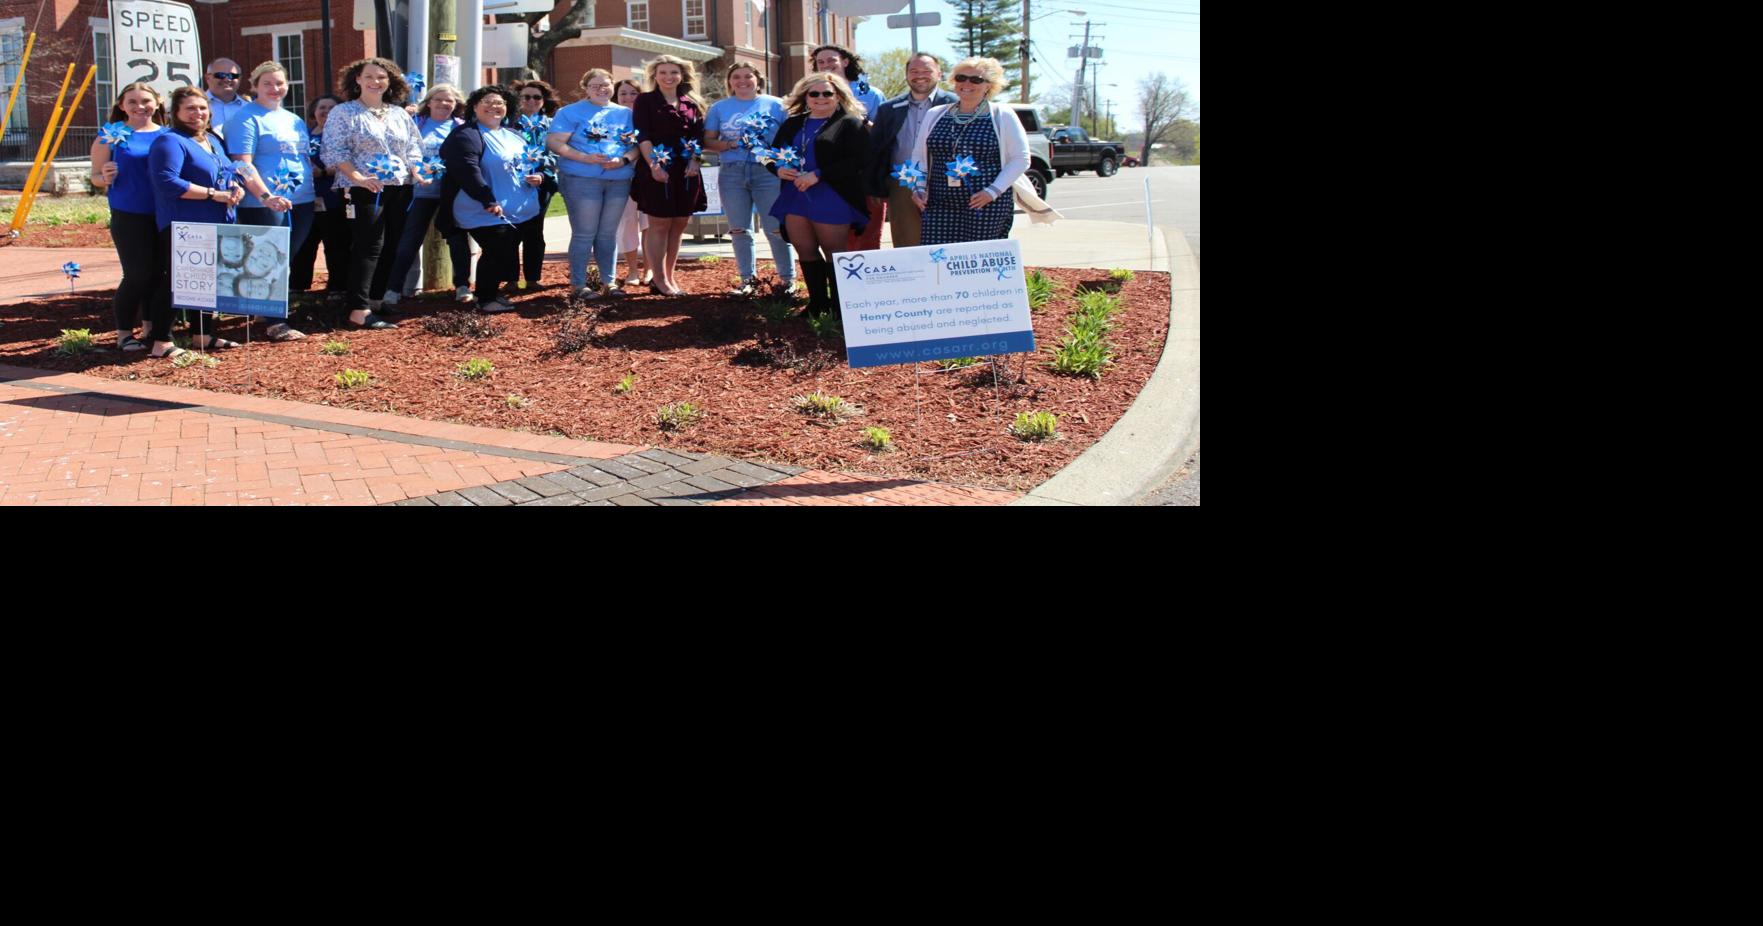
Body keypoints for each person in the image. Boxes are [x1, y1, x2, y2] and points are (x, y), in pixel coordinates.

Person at [320, 57, 427, 330]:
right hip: (363, 188)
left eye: (381, 77)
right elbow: (333, 150)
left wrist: (416, 171)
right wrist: (358, 177)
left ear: (390, 82)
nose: (375, 82)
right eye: (369, 76)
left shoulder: (398, 113)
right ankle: (358, 309)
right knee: (369, 246)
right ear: (357, 79)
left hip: (399, 186)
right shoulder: (344, 112)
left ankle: (376, 300)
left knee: (392, 244)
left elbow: (413, 147)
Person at [146, 86, 245, 360]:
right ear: (175, 112)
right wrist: (214, 194)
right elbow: (168, 182)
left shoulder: (211, 139)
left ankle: (202, 334)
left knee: (207, 281)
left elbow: (228, 171)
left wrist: (236, 187)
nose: (197, 113)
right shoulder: (170, 141)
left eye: (202, 108)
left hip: (217, 220)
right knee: (180, 282)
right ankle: (160, 342)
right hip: (185, 224)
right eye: (190, 108)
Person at [765, 73, 869, 317]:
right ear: (805, 97)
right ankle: (817, 304)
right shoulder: (792, 123)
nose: (820, 98)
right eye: (814, 93)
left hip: (832, 193)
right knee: (805, 249)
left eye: (827, 93)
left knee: (835, 252)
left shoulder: (849, 123)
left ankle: (841, 309)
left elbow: (859, 160)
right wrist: (777, 168)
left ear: (838, 97)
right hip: (795, 194)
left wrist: (818, 174)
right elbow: (770, 154)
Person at [224, 61, 315, 341]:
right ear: (254, 86)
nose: (275, 89)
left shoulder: (294, 119)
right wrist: (264, 196)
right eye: (268, 84)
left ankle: (268, 309)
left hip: (301, 199)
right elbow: (242, 164)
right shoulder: (246, 118)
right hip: (264, 203)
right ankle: (276, 323)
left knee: (289, 258)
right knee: (271, 258)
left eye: (279, 83)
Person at [439, 84, 544, 314]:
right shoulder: (466, 135)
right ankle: (485, 299)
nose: (494, 106)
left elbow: (528, 163)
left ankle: (492, 293)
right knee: (497, 248)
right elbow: (467, 171)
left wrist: (539, 176)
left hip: (514, 210)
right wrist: (487, 200)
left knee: (504, 250)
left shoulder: (512, 134)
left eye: (500, 103)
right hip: (483, 209)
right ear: (474, 107)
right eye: (487, 102)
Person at [909, 57, 1030, 247]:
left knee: (979, 261)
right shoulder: (935, 114)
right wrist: (918, 186)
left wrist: (992, 192)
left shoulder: (1002, 115)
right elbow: (919, 156)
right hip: (940, 202)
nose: (967, 83)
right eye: (961, 77)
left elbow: (1020, 159)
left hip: (984, 202)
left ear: (988, 85)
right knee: (939, 258)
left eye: (976, 80)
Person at [380, 83, 476, 308]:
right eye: (439, 99)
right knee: (409, 241)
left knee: (457, 239)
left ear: (456, 104)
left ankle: (462, 285)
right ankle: (394, 289)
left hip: (451, 193)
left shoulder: (462, 127)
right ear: (429, 102)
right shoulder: (415, 124)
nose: (444, 104)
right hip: (420, 192)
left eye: (449, 100)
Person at [547, 69, 640, 300]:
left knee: (608, 234)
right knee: (584, 233)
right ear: (585, 88)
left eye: (606, 85)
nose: (601, 89)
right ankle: (579, 285)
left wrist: (625, 159)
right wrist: (585, 158)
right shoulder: (570, 112)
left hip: (618, 180)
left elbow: (639, 144)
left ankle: (609, 282)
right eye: (595, 85)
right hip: (581, 179)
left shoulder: (625, 114)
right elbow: (555, 142)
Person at [704, 62, 793, 295]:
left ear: (758, 80)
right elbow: (708, 141)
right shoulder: (719, 108)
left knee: (775, 228)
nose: (742, 81)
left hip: (768, 172)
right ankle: (747, 280)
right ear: (730, 82)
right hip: (732, 171)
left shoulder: (776, 105)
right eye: (736, 77)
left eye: (748, 76)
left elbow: (790, 139)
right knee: (739, 229)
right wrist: (729, 144)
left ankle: (786, 279)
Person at [88, 82, 165, 352]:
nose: (140, 106)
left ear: (157, 102)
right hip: (129, 213)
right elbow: (95, 177)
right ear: (122, 105)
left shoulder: (168, 135)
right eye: (132, 101)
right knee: (136, 274)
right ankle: (123, 333)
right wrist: (104, 176)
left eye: (146, 100)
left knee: (158, 273)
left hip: (163, 214)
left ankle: (150, 327)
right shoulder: (111, 134)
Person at [630, 55, 708, 296]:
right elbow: (643, 135)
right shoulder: (645, 100)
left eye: (673, 72)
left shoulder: (692, 103)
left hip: (686, 170)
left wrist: (695, 162)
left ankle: (670, 277)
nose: (668, 77)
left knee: (679, 225)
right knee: (659, 224)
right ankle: (659, 278)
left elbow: (698, 137)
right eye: (662, 72)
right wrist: (654, 165)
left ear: (682, 75)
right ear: (654, 76)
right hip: (657, 167)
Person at [867, 52, 955, 249]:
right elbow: (876, 150)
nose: (920, 75)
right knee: (908, 243)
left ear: (939, 74)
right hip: (903, 183)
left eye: (927, 71)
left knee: (947, 241)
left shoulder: (955, 104)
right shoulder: (888, 108)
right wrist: (876, 185)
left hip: (946, 181)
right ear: (906, 75)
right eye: (914, 71)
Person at [812, 44, 888, 252]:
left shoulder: (870, 93)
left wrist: (861, 121)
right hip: (829, 172)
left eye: (831, 60)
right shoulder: (814, 93)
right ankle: (838, 283)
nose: (826, 65)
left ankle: (868, 282)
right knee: (835, 236)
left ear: (845, 62)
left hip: (864, 171)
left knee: (868, 233)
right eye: (821, 62)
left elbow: (883, 135)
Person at [289, 95, 353, 297]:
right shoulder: (304, 135)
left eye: (331, 107)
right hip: (306, 198)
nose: (326, 111)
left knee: (335, 244)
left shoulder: (343, 135)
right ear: (313, 111)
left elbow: (349, 163)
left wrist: (324, 172)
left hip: (333, 198)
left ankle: (337, 287)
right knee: (304, 243)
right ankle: (298, 286)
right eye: (321, 107)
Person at [510, 79, 560, 290]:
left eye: (537, 97)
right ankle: (510, 278)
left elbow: (558, 153)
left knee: (534, 230)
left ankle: (532, 278)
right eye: (526, 96)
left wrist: (541, 174)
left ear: (544, 101)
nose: (531, 101)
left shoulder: (552, 125)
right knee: (510, 231)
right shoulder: (508, 123)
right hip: (512, 184)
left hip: (541, 184)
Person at [611, 78, 649, 287]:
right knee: (627, 223)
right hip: (621, 176)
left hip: (649, 176)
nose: (627, 97)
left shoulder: (648, 117)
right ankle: (633, 270)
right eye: (623, 93)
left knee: (649, 223)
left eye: (633, 93)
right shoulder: (612, 119)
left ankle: (650, 270)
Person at [204, 58, 250, 138]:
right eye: (220, 75)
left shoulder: (249, 109)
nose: (227, 79)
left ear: (239, 79)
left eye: (232, 76)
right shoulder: (196, 107)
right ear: (208, 78)